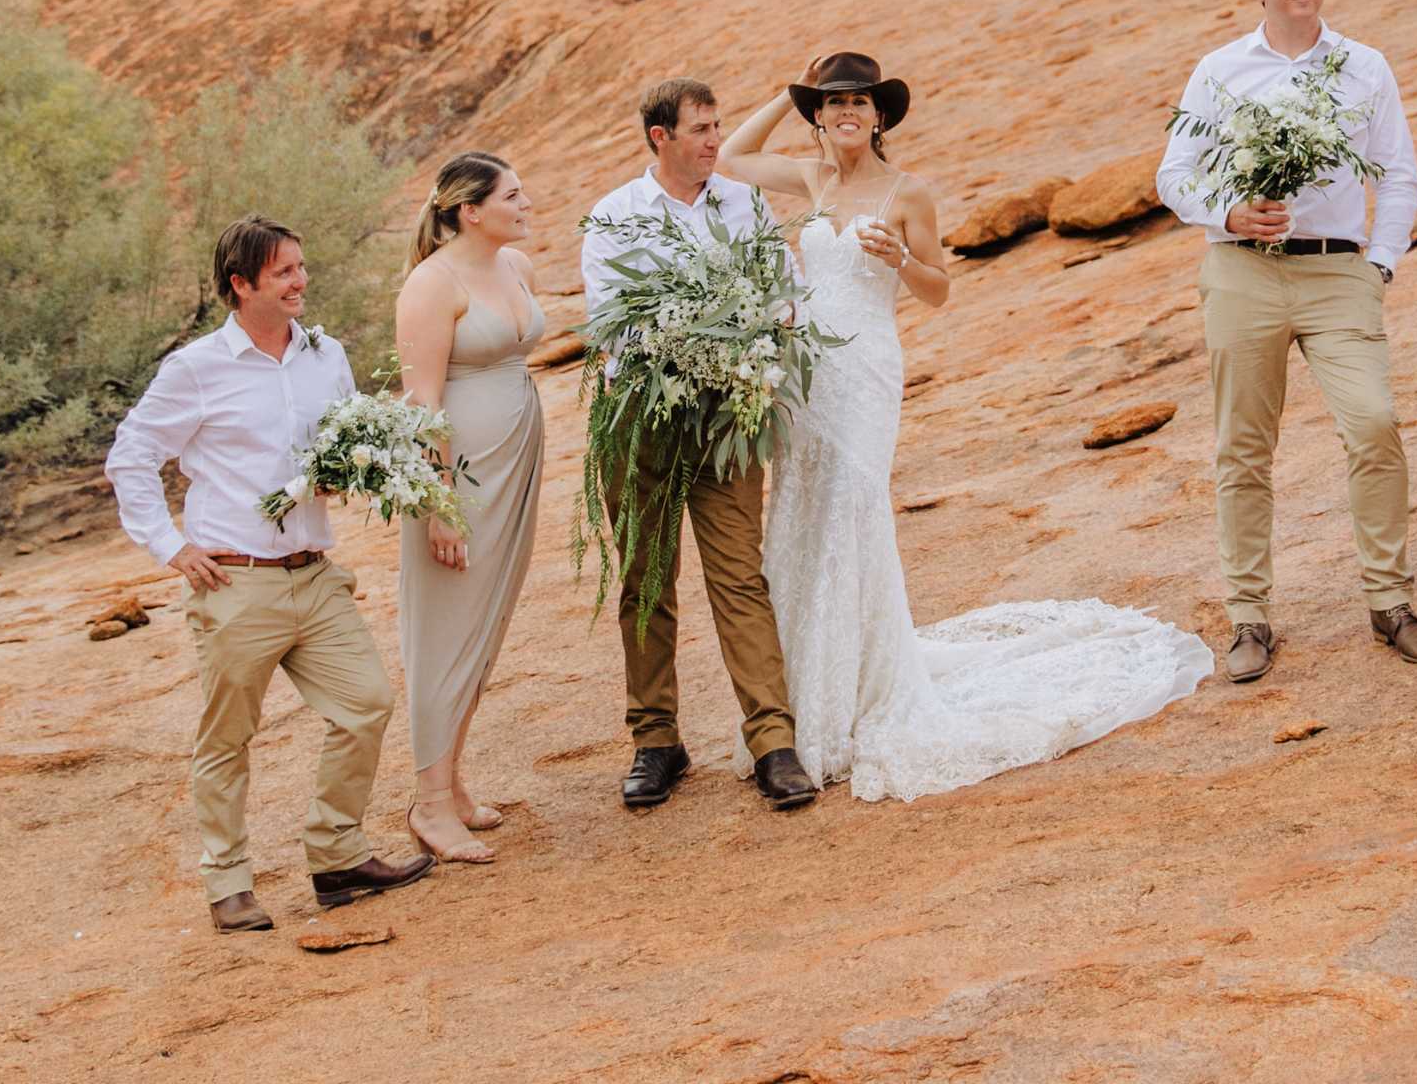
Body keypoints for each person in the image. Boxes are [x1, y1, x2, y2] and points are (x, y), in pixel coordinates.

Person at [717, 53, 1210, 800]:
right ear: (820, 114)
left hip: (866, 371)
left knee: (854, 511)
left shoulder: (908, 192)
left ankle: (857, 696)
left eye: (860, 103)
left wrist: (900, 261)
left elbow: (938, 290)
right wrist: (791, 96)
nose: (847, 113)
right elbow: (730, 157)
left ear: (881, 116)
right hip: (805, 377)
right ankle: (797, 704)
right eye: (834, 103)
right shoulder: (813, 179)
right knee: (800, 514)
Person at [103, 216, 433, 932]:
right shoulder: (194, 369)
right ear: (240, 284)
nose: (301, 281)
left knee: (367, 702)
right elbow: (131, 454)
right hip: (235, 583)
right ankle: (228, 885)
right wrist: (170, 546)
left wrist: (348, 473)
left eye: (301, 268)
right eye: (284, 272)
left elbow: (339, 440)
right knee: (227, 738)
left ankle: (337, 854)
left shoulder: (326, 354)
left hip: (315, 574)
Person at [1154, 0, 1417, 682]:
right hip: (1242, 272)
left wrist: (1379, 261)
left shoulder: (1363, 66)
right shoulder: (1220, 71)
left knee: (1374, 423)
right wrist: (1227, 214)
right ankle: (1249, 618)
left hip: (1338, 272)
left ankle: (1391, 602)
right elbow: (1174, 173)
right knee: (1243, 448)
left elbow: (1400, 173)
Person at [581, 77, 815, 813]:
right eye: (703, 129)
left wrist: (756, 342)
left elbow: (788, 289)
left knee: (739, 575)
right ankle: (656, 742)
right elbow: (611, 326)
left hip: (728, 418)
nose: (717, 140)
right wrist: (690, 341)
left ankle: (773, 742)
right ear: (662, 138)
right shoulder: (615, 216)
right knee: (645, 579)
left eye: (718, 127)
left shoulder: (743, 203)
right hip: (640, 418)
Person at [393, 152, 546, 862]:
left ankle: (451, 784)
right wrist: (438, 505)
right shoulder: (432, 283)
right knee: (445, 631)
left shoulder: (514, 268)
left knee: (485, 624)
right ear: (469, 210)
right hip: (460, 479)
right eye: (512, 195)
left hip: (514, 468)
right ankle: (428, 804)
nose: (526, 203)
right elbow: (420, 403)